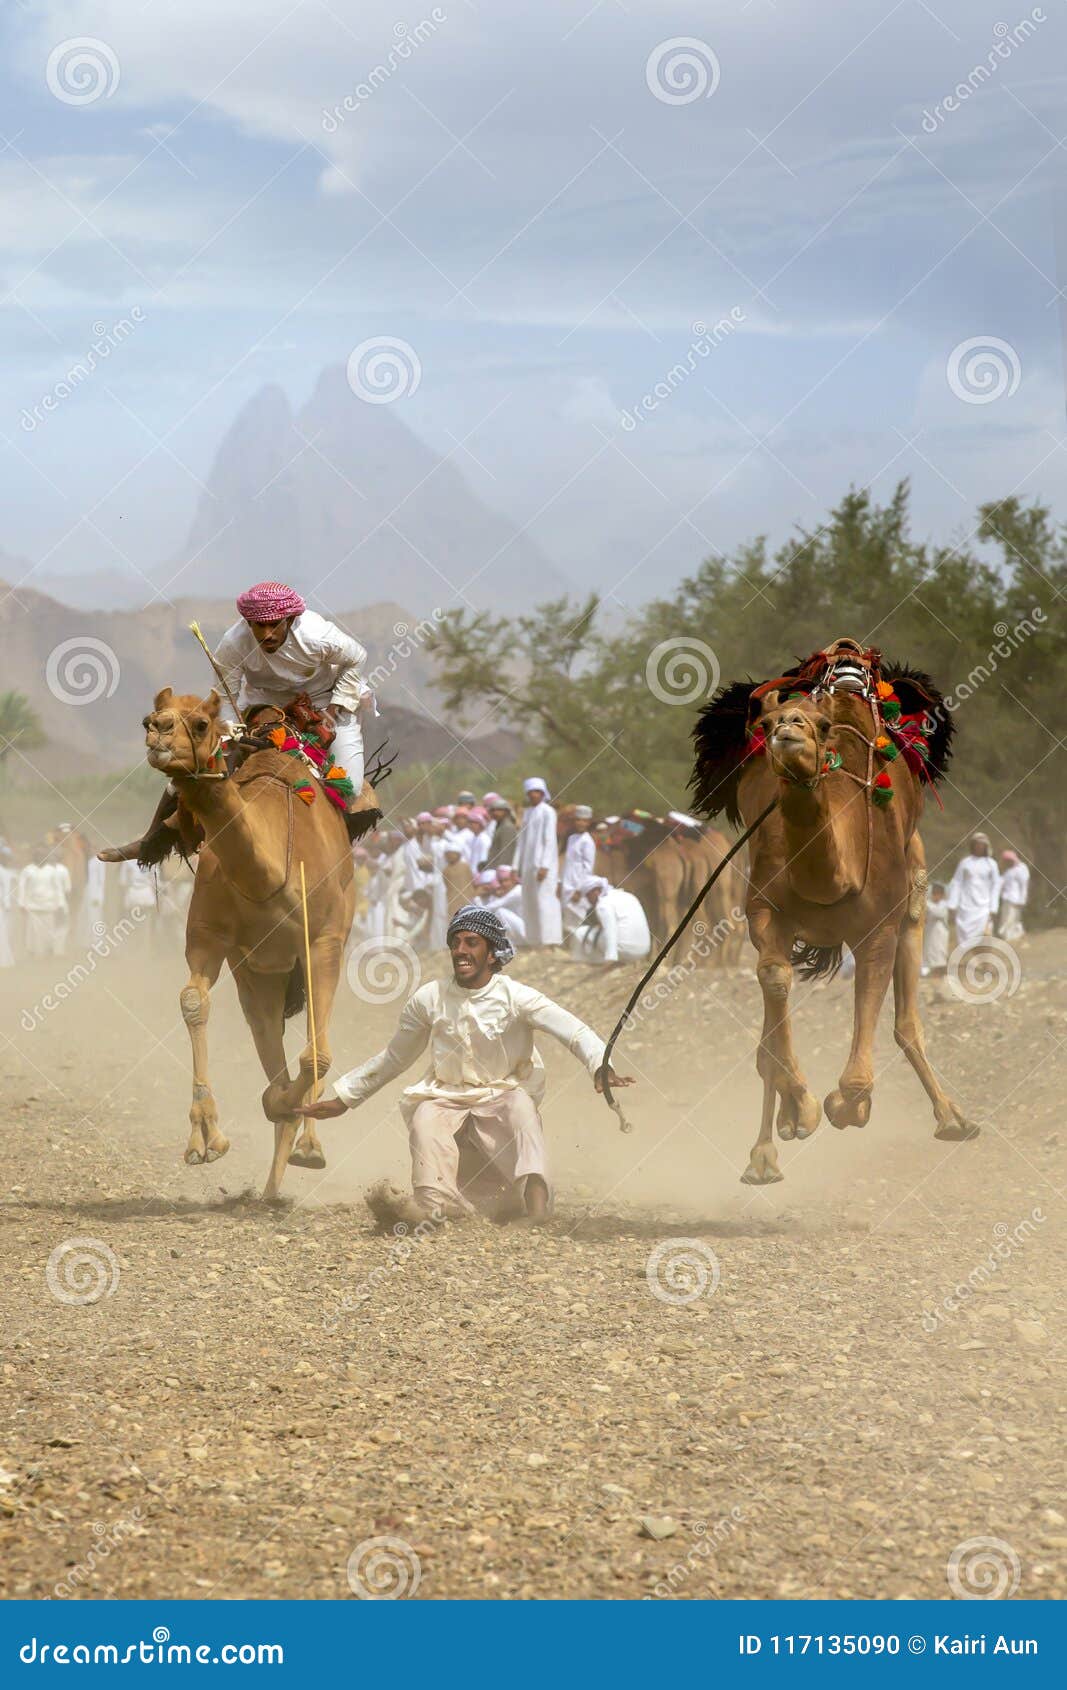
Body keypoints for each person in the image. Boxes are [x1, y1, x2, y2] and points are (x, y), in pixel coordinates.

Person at [302, 904, 633, 1222]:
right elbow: (395, 1057)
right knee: (424, 1118)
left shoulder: (517, 996)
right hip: (446, 1096)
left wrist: (600, 1066)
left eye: (471, 943)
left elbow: (573, 1030)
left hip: (503, 1092)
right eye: (455, 943)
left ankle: (537, 1212)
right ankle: (432, 1208)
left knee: (522, 1109)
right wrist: (344, 1099)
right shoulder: (428, 998)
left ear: (492, 954)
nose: (460, 950)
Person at [101, 580, 376, 863]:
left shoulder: (317, 635)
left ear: (291, 620)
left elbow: (357, 657)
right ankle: (152, 838)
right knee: (201, 759)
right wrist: (235, 734)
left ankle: (332, 854)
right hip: (262, 702)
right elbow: (224, 694)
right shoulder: (233, 643)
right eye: (258, 625)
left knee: (351, 787)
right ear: (248, 622)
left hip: (326, 700)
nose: (266, 634)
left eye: (274, 625)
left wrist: (331, 712)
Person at [516, 777, 562, 947]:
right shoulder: (527, 813)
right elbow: (521, 842)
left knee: (545, 901)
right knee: (529, 902)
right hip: (528, 866)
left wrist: (544, 865)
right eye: (531, 792)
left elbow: (549, 840)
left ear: (543, 793)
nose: (534, 795)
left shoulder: (547, 811)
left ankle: (550, 940)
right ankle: (534, 940)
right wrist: (516, 866)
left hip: (543, 867)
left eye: (537, 792)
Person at [568, 875, 651, 965]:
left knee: (580, 932)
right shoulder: (628, 895)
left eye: (588, 896)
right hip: (644, 950)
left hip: (625, 950)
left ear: (596, 891)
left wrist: (611, 957)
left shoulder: (603, 904)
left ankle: (583, 962)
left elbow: (610, 930)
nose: (588, 900)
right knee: (597, 932)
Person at [947, 832, 1000, 950]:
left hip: (984, 907)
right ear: (973, 845)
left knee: (986, 938)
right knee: (967, 942)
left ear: (986, 846)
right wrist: (952, 904)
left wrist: (993, 907)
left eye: (982, 845)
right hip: (966, 907)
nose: (979, 847)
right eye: (977, 844)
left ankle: (986, 965)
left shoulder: (992, 864)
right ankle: (972, 964)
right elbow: (957, 882)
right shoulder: (965, 863)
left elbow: (996, 886)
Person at [17, 850, 71, 957]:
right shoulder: (27, 870)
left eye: (42, 854)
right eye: (37, 854)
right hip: (32, 906)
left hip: (49, 906)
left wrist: (60, 904)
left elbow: (58, 889)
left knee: (48, 931)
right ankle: (34, 953)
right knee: (33, 932)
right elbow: (21, 887)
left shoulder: (51, 871)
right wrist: (21, 903)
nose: (40, 856)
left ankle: (47, 952)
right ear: (33, 855)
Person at [560, 805, 597, 933]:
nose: (580, 823)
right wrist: (560, 882)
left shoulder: (588, 841)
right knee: (567, 915)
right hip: (567, 883)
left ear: (589, 823)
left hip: (578, 885)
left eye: (584, 820)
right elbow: (567, 862)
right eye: (578, 819)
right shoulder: (571, 838)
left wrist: (580, 890)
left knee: (578, 917)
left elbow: (588, 868)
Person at [997, 851, 1030, 941]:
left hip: (1015, 899)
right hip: (1006, 899)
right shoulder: (1008, 871)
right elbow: (1001, 883)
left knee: (1011, 919)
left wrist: (1022, 899)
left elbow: (1023, 885)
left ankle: (1014, 936)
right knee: (1006, 918)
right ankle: (1010, 936)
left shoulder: (1020, 869)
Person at [483, 794, 519, 872]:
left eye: (499, 810)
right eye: (493, 810)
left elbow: (506, 853)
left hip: (500, 872)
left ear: (506, 812)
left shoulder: (507, 827)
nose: (495, 813)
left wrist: (500, 873)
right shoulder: (499, 826)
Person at [922, 883, 950, 977]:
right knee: (928, 951)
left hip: (941, 933)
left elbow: (939, 913)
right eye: (935, 894)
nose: (936, 896)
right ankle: (927, 969)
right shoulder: (928, 903)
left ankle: (940, 971)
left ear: (942, 895)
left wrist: (927, 905)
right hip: (929, 932)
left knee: (940, 951)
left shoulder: (944, 904)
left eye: (939, 894)